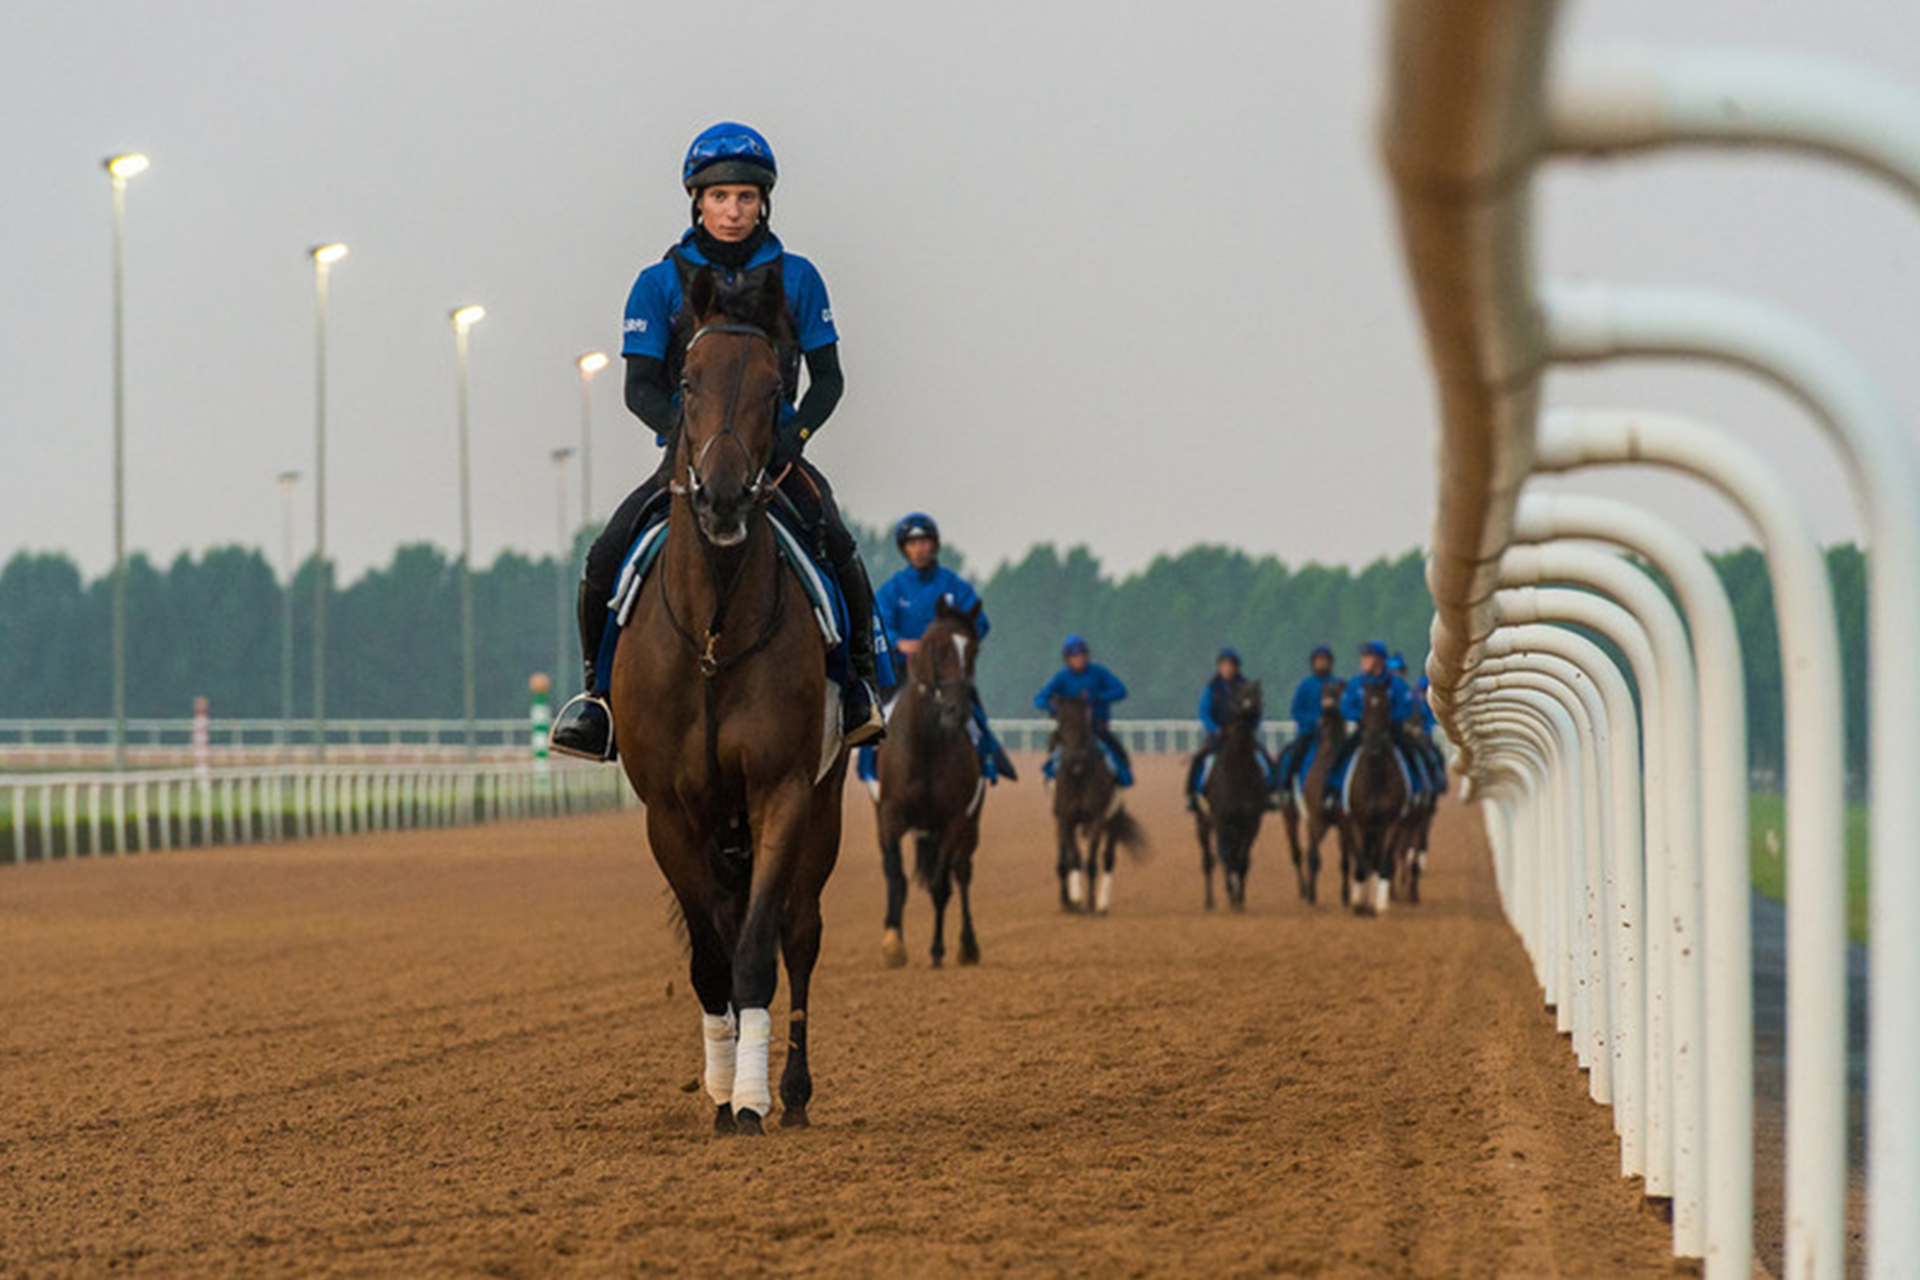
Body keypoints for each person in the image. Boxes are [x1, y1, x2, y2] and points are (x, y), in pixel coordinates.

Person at [551, 122, 884, 761]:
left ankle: (862, 686)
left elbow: (830, 379)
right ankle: (596, 701)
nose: (733, 212)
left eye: (747, 198)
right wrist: (695, 441)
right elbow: (639, 388)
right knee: (604, 557)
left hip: (777, 463)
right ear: (696, 202)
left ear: (764, 204)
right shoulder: (658, 282)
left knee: (839, 545)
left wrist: (794, 435)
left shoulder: (799, 277)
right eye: (720, 197)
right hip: (685, 466)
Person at [859, 512, 1017, 785]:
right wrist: (899, 642)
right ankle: (869, 770)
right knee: (877, 716)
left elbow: (979, 624)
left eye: (925, 542)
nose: (920, 549)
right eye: (913, 543)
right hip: (903, 671)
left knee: (974, 719)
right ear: (904, 549)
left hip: (947, 671)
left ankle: (988, 761)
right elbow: (880, 626)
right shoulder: (893, 589)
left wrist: (957, 644)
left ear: (934, 546)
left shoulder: (954, 586)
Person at [1183, 647, 1278, 811]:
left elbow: (1257, 712)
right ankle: (1194, 794)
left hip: (1242, 737)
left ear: (1237, 667)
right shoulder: (1211, 689)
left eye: (1231, 665)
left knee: (1263, 759)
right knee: (1202, 761)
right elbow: (1204, 712)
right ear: (1219, 667)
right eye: (1224, 665)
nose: (1228, 669)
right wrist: (1215, 729)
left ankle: (1270, 793)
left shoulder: (1246, 688)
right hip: (1219, 737)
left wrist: (1250, 728)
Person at [1033, 636, 1133, 788]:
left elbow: (1120, 691)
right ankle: (1051, 777)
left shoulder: (1098, 672)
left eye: (1082, 655)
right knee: (1058, 750)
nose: (1079, 659)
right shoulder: (1062, 677)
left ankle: (1121, 777)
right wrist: (1053, 708)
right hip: (1071, 727)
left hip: (1096, 724)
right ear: (1067, 659)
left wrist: (1098, 697)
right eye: (1074, 656)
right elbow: (1039, 699)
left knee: (1113, 748)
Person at [1326, 639, 1418, 788]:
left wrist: (1387, 719)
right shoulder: (1356, 683)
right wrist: (1363, 718)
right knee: (1342, 751)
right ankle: (1333, 789)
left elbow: (1406, 707)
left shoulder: (1396, 683)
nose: (1363, 660)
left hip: (1392, 731)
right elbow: (1345, 707)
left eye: (1367, 657)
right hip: (1364, 730)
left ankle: (1418, 787)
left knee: (1410, 751)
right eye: (1363, 657)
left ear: (1379, 660)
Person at [1273, 644, 1337, 791]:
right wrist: (1315, 721)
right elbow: (1296, 711)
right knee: (1293, 757)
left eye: (1325, 660)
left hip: (1334, 735)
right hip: (1309, 734)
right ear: (1313, 663)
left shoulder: (1337, 683)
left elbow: (1345, 708)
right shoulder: (1305, 685)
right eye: (1319, 660)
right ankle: (1285, 787)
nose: (1322, 663)